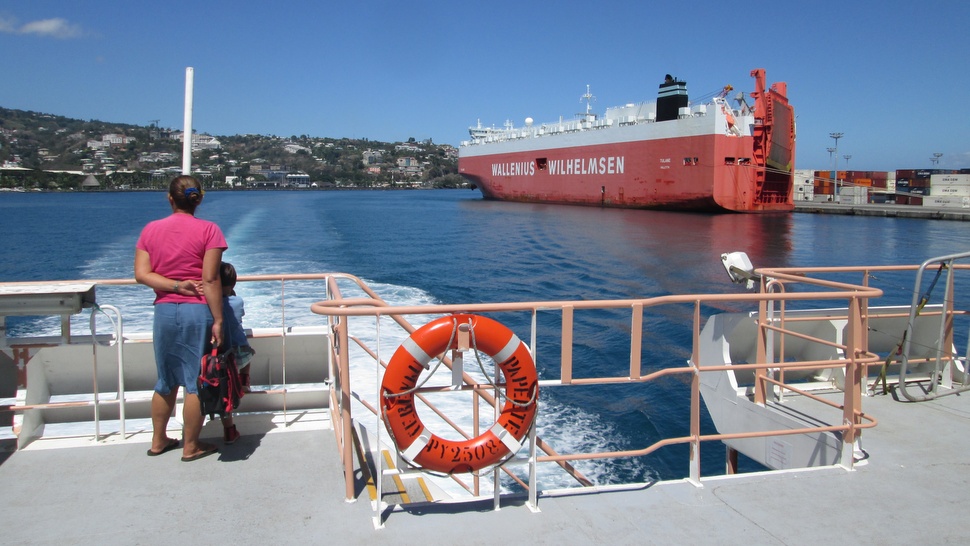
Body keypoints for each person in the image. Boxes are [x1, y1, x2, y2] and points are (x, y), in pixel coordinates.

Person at [135, 175, 226, 462]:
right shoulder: (209, 230)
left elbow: (142, 275)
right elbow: (210, 279)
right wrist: (219, 320)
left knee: (165, 380)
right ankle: (191, 446)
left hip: (164, 310)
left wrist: (174, 285)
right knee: (193, 381)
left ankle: (159, 440)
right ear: (199, 199)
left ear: (170, 198)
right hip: (195, 312)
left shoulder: (150, 229)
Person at [218, 261, 255, 444]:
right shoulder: (238, 300)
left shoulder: (210, 303)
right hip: (241, 353)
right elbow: (240, 314)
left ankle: (229, 430)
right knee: (250, 355)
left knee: (225, 395)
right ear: (233, 283)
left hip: (222, 357)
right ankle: (244, 380)